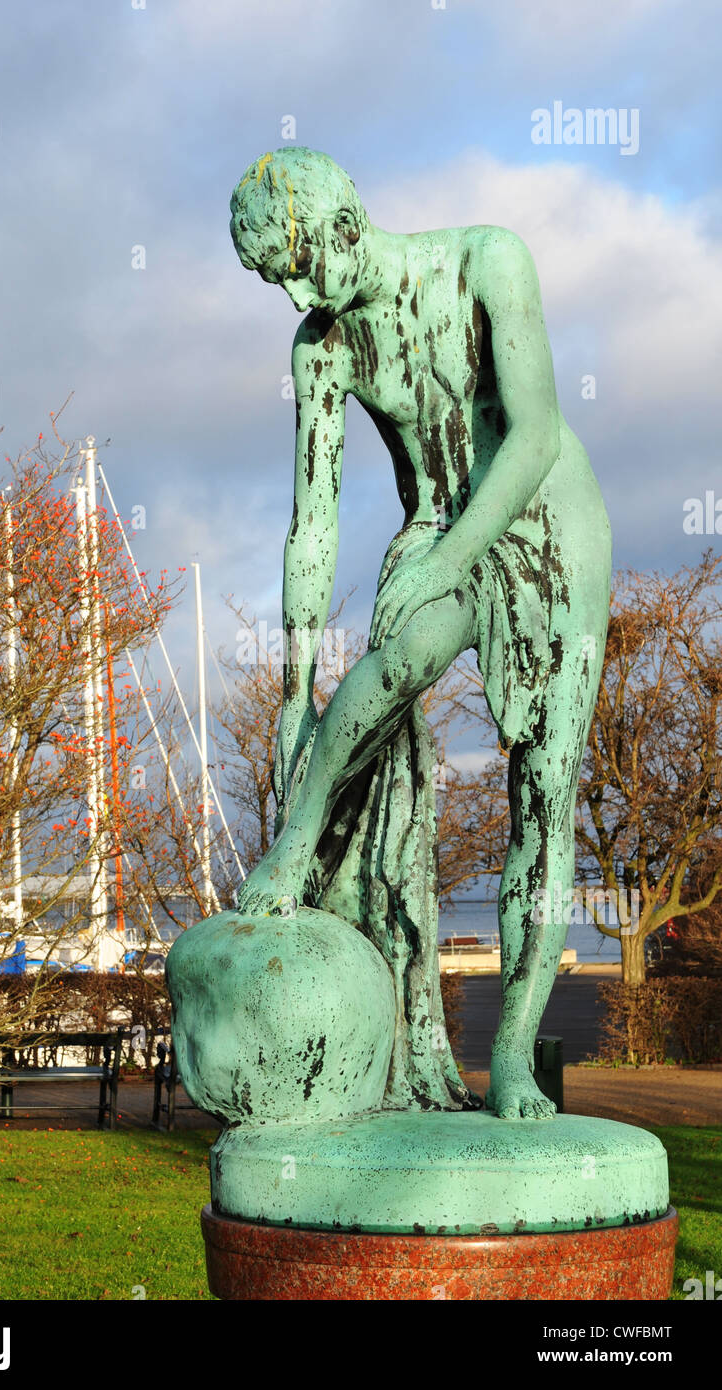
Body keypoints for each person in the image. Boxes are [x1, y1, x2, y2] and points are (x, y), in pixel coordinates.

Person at [229, 148, 611, 1119]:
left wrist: (441, 562)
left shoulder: (489, 261)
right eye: (278, 279)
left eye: (302, 263)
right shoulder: (321, 347)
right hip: (441, 522)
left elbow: (528, 435)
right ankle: (298, 838)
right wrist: (293, 694)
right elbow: (311, 518)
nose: (297, 294)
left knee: (544, 788)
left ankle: (514, 1056)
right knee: (392, 661)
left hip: (550, 524)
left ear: (346, 221)